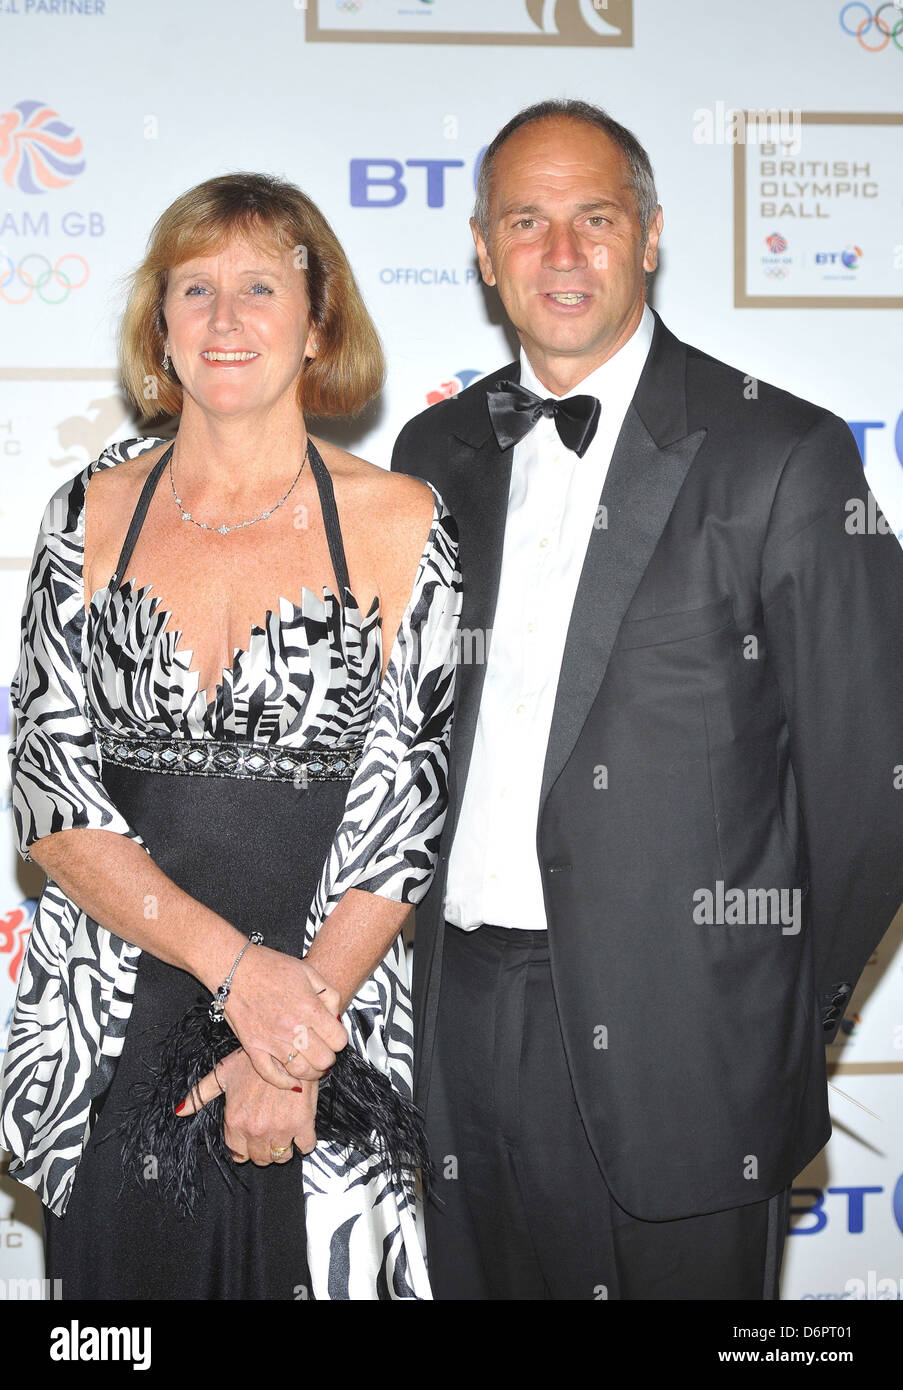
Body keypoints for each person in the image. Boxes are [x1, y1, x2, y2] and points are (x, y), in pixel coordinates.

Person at [391, 99, 903, 1300]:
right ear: (481, 251)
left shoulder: (785, 453)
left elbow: (874, 778)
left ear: (652, 236)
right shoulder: (432, 455)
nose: (561, 254)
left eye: (595, 217)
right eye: (527, 220)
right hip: (452, 1028)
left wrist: (761, 1010)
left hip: (687, 1054)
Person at [0, 172, 461, 1301]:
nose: (225, 317)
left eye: (262, 285)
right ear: (159, 326)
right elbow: (51, 799)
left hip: (332, 1035)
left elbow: (405, 823)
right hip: (113, 1030)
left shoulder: (405, 523)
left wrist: (290, 1038)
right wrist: (237, 977)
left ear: (320, 322)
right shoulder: (88, 513)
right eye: (192, 288)